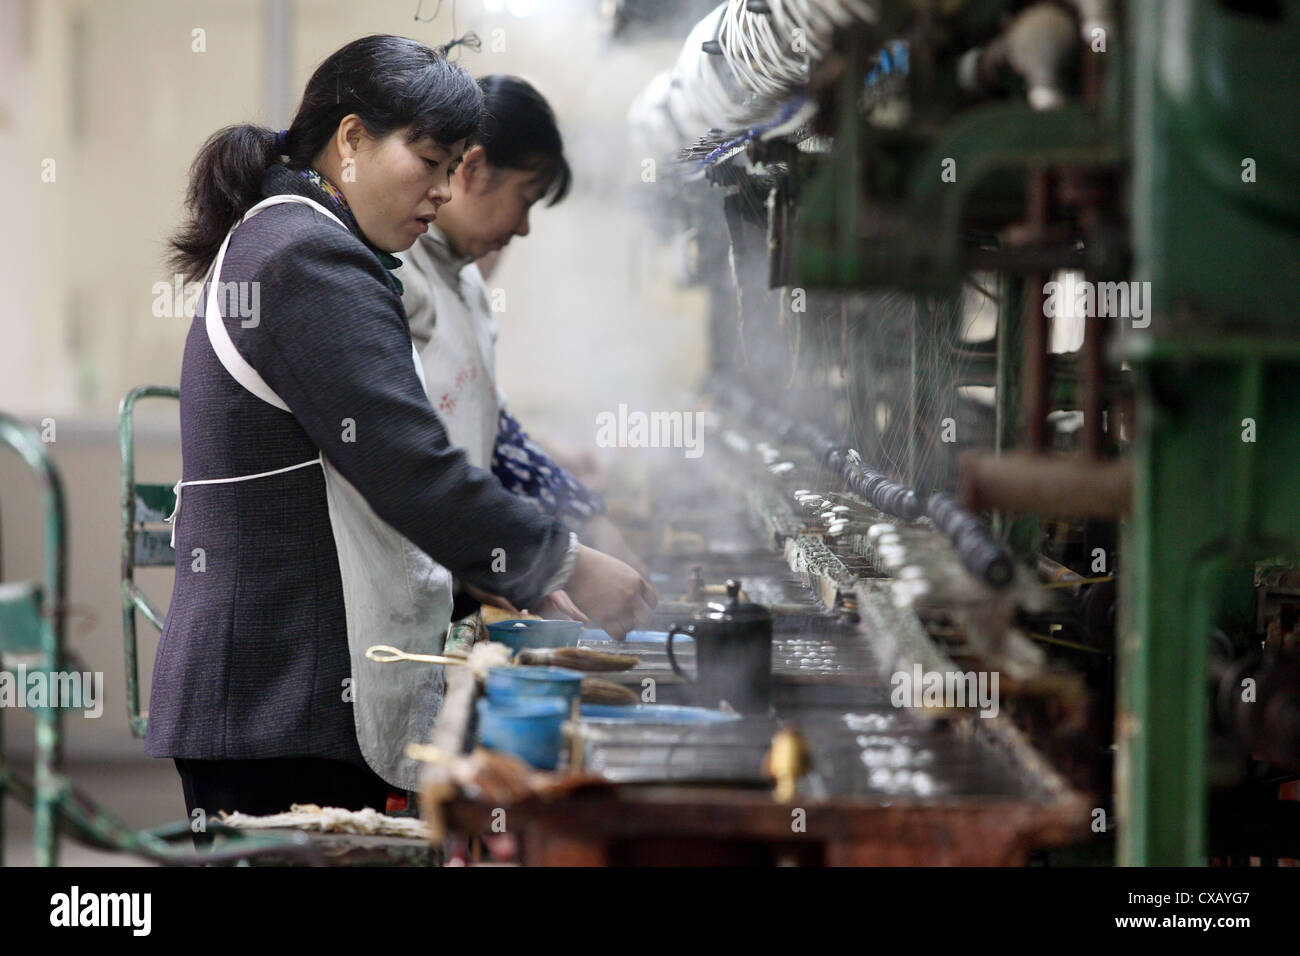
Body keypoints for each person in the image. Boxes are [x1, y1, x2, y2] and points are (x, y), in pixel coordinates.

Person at [147, 36, 656, 819]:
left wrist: (497, 579)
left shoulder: (300, 241)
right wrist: (560, 562)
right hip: (277, 705)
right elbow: (407, 466)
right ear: (351, 140)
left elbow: (369, 480)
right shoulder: (306, 259)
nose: (445, 192)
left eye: (456, 167)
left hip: (276, 702)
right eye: (429, 161)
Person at [398, 75, 647, 615]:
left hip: (450, 577)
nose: (524, 227)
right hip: (410, 584)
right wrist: (560, 563)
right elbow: (408, 459)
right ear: (474, 169)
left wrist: (586, 521)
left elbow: (493, 431)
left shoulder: (464, 280)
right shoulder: (398, 276)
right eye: (525, 200)